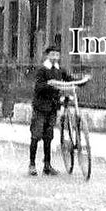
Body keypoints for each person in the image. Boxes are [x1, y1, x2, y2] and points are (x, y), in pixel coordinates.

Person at [28, 46, 74, 176]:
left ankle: (47, 166)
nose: (55, 57)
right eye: (52, 55)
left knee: (48, 137)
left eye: (57, 55)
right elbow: (38, 87)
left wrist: (82, 81)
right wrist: (49, 83)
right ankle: (32, 164)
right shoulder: (42, 70)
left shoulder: (60, 70)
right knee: (36, 136)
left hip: (52, 107)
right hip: (40, 107)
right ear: (47, 56)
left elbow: (70, 79)